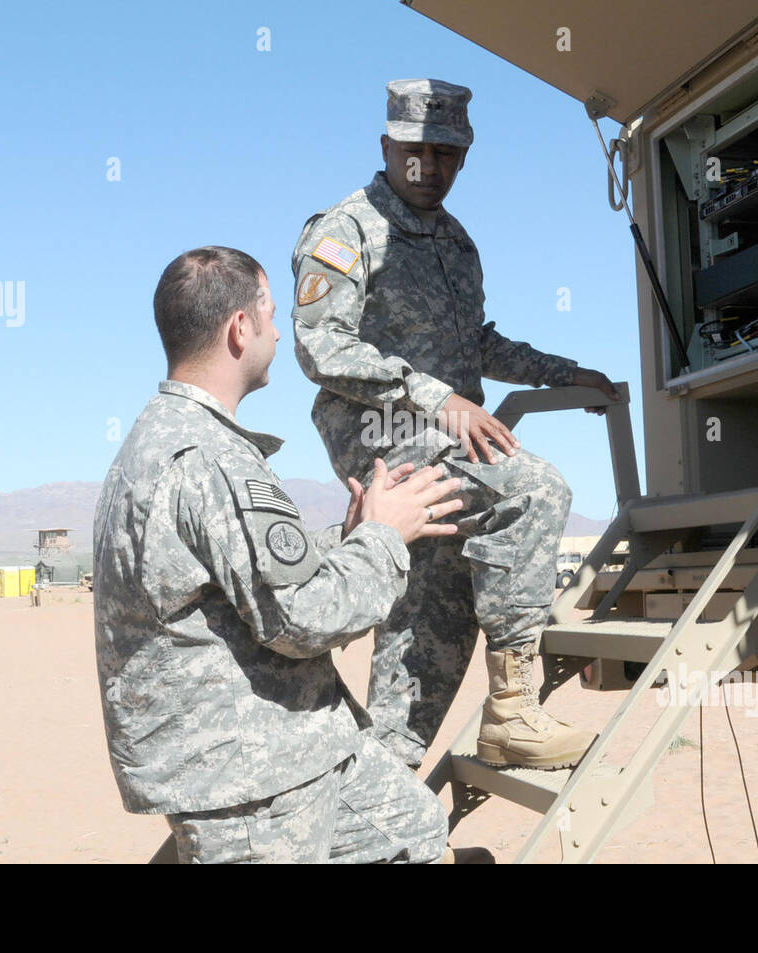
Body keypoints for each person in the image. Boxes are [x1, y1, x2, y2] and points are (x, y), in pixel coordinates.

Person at [93, 246, 464, 863]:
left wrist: (348, 539)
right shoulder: (208, 457)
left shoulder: (164, 440)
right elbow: (301, 618)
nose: (276, 329)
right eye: (268, 312)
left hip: (292, 752)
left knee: (413, 830)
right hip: (248, 781)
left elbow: (239, 578)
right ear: (241, 329)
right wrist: (385, 536)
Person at [291, 79, 620, 771]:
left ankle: (382, 795)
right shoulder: (347, 228)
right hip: (380, 436)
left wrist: (562, 372)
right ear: (386, 145)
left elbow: (477, 342)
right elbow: (320, 345)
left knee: (427, 635)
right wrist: (435, 396)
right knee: (533, 489)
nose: (431, 167)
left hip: (447, 440)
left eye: (449, 153)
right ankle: (512, 711)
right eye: (416, 150)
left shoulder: (457, 243)